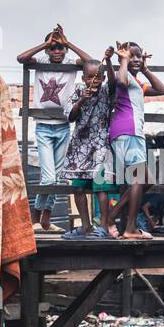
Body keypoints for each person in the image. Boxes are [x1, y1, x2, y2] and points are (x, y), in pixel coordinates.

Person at [18, 24, 92, 232]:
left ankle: (44, 220)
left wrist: (69, 43)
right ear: (47, 50)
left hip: (63, 127)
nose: (57, 51)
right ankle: (38, 217)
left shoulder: (70, 62)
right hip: (43, 127)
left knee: (56, 177)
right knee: (49, 177)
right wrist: (45, 44)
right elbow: (21, 58)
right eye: (53, 48)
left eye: (60, 48)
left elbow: (91, 62)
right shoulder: (41, 61)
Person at [107, 41, 164, 239]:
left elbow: (161, 90)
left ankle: (113, 215)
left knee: (146, 180)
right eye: (130, 55)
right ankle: (130, 228)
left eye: (138, 56)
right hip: (128, 131)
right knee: (140, 178)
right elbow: (121, 82)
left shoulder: (137, 82)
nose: (135, 59)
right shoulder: (122, 76)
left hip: (134, 133)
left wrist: (146, 69)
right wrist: (122, 60)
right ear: (122, 58)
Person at [60, 56, 117, 239]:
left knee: (101, 187)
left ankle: (103, 228)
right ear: (84, 78)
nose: (94, 80)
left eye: (98, 77)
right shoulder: (77, 92)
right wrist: (81, 101)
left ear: (103, 78)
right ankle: (85, 226)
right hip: (80, 146)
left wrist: (108, 62)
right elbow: (70, 116)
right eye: (90, 77)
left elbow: (115, 83)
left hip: (100, 144)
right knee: (78, 188)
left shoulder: (107, 90)